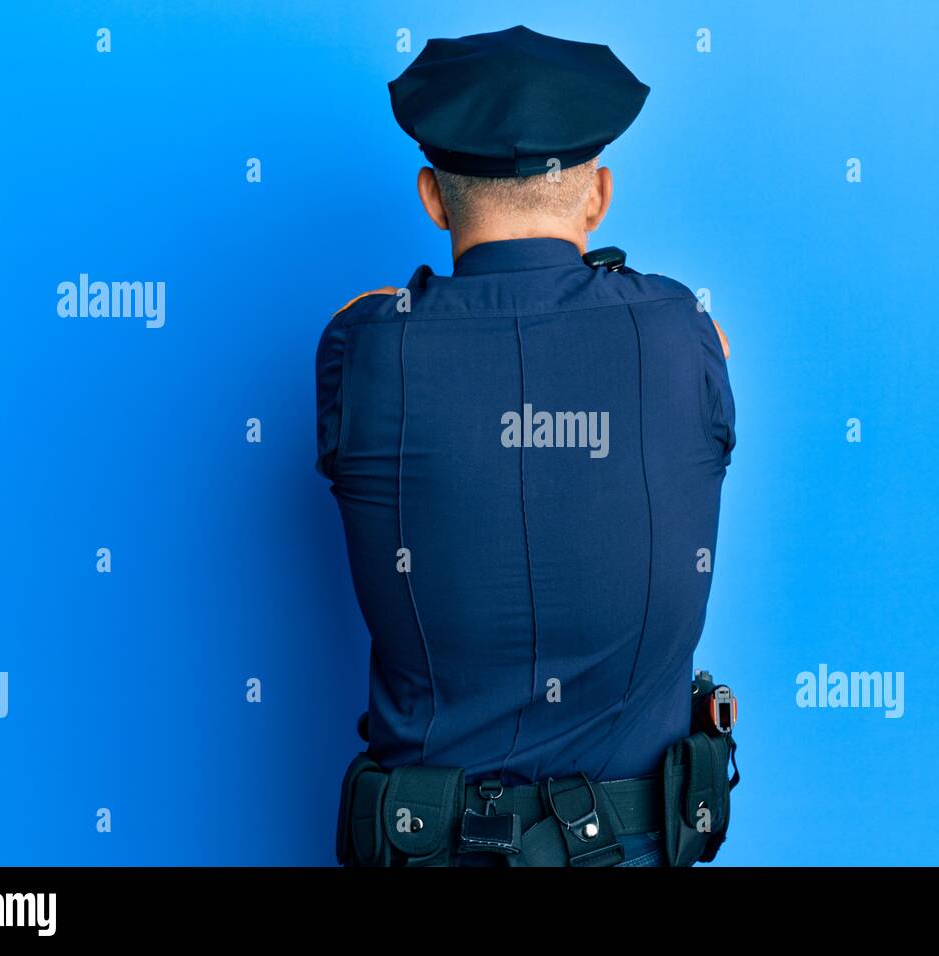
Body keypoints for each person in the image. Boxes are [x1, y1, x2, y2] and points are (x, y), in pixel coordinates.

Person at [316, 25, 736, 867]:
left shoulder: (360, 348)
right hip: (637, 849)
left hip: (424, 850)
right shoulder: (690, 336)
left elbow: (369, 314)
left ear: (433, 198)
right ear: (598, 195)